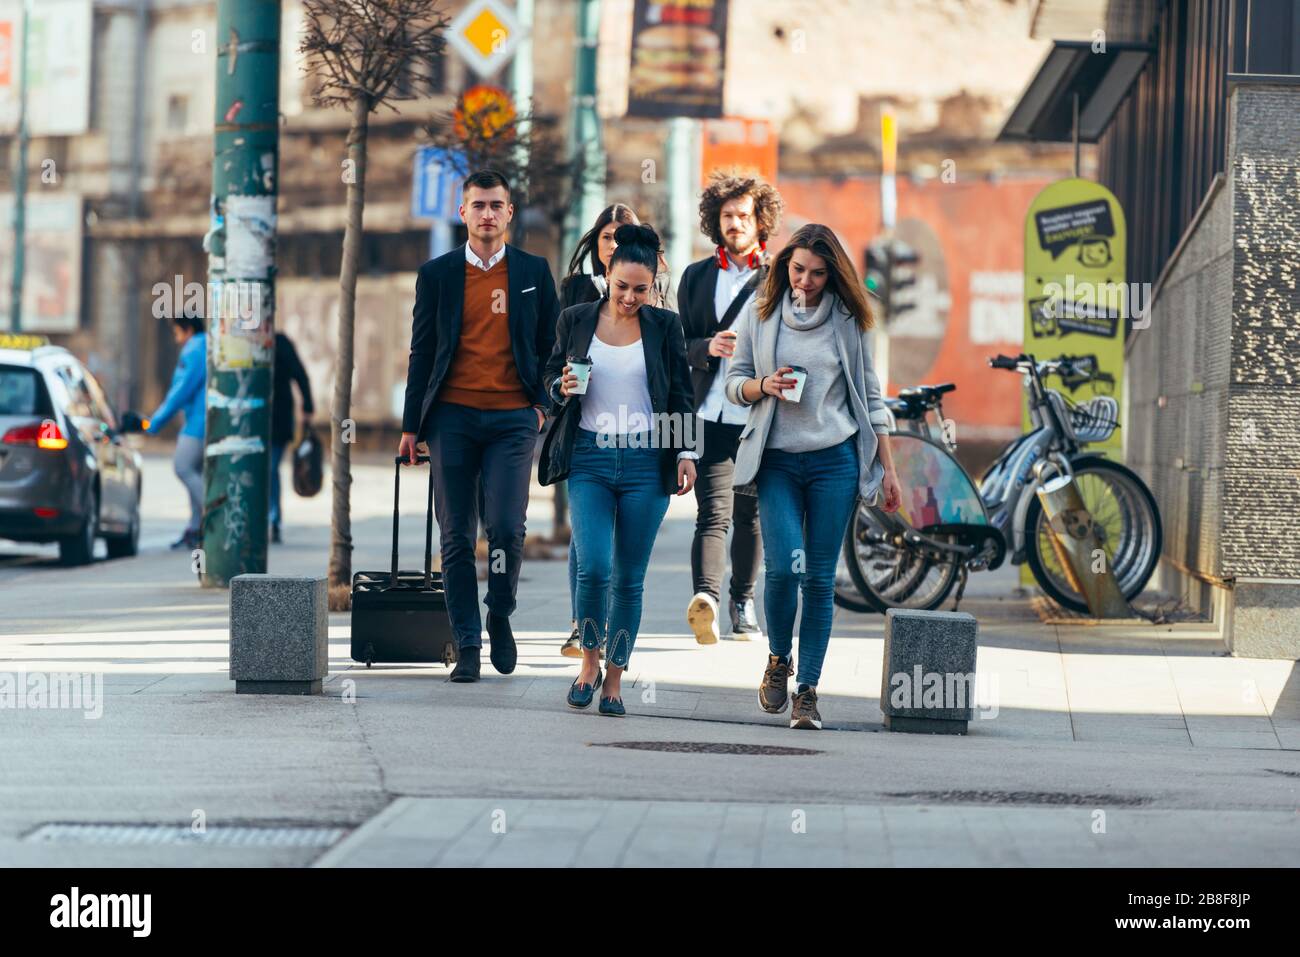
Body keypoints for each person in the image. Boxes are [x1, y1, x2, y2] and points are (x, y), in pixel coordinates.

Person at [724, 223, 904, 730]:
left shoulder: (851, 319)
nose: (805, 281)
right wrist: (764, 385)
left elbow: (872, 400)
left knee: (820, 579)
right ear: (785, 265)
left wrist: (888, 471)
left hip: (834, 462)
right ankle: (778, 659)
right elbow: (734, 385)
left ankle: (808, 691)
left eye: (818, 273)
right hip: (777, 460)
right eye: (798, 269)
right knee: (784, 569)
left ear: (834, 274)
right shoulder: (762, 311)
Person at [398, 168, 560, 683]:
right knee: (455, 537)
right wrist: (410, 426)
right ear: (463, 212)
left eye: (496, 205)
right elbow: (422, 351)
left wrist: (540, 407)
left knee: (507, 529)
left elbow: (551, 348)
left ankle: (500, 610)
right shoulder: (438, 274)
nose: (487, 214)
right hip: (452, 417)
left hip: (513, 418)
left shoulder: (534, 271)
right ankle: (467, 643)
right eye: (478, 205)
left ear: (509, 213)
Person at [541, 223, 698, 716]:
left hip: (646, 463)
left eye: (640, 289)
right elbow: (547, 373)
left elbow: (679, 396)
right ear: (606, 272)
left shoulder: (664, 327)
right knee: (594, 566)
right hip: (588, 455)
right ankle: (588, 663)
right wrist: (558, 386)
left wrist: (685, 454)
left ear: (653, 284)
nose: (629, 298)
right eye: (621, 285)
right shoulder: (575, 318)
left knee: (629, 578)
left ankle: (613, 680)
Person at [677, 171, 784, 644]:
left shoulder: (781, 276)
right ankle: (708, 601)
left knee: (750, 514)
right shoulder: (697, 277)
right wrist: (705, 347)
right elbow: (675, 345)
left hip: (758, 416)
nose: (735, 223)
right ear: (714, 221)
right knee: (712, 512)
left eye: (744, 215)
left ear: (760, 220)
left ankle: (743, 599)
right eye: (727, 216)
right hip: (708, 414)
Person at [146, 312, 207, 550]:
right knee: (195, 471)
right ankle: (195, 527)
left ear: (188, 330)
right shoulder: (208, 346)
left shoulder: (194, 350)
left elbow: (180, 391)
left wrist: (155, 422)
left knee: (182, 466)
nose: (176, 339)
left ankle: (212, 511)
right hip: (205, 420)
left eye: (177, 332)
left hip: (197, 424)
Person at [269, 331, 314, 544]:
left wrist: (308, 405)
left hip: (277, 420)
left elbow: (300, 373)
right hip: (247, 421)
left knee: (270, 469)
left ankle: (273, 520)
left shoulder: (279, 342)